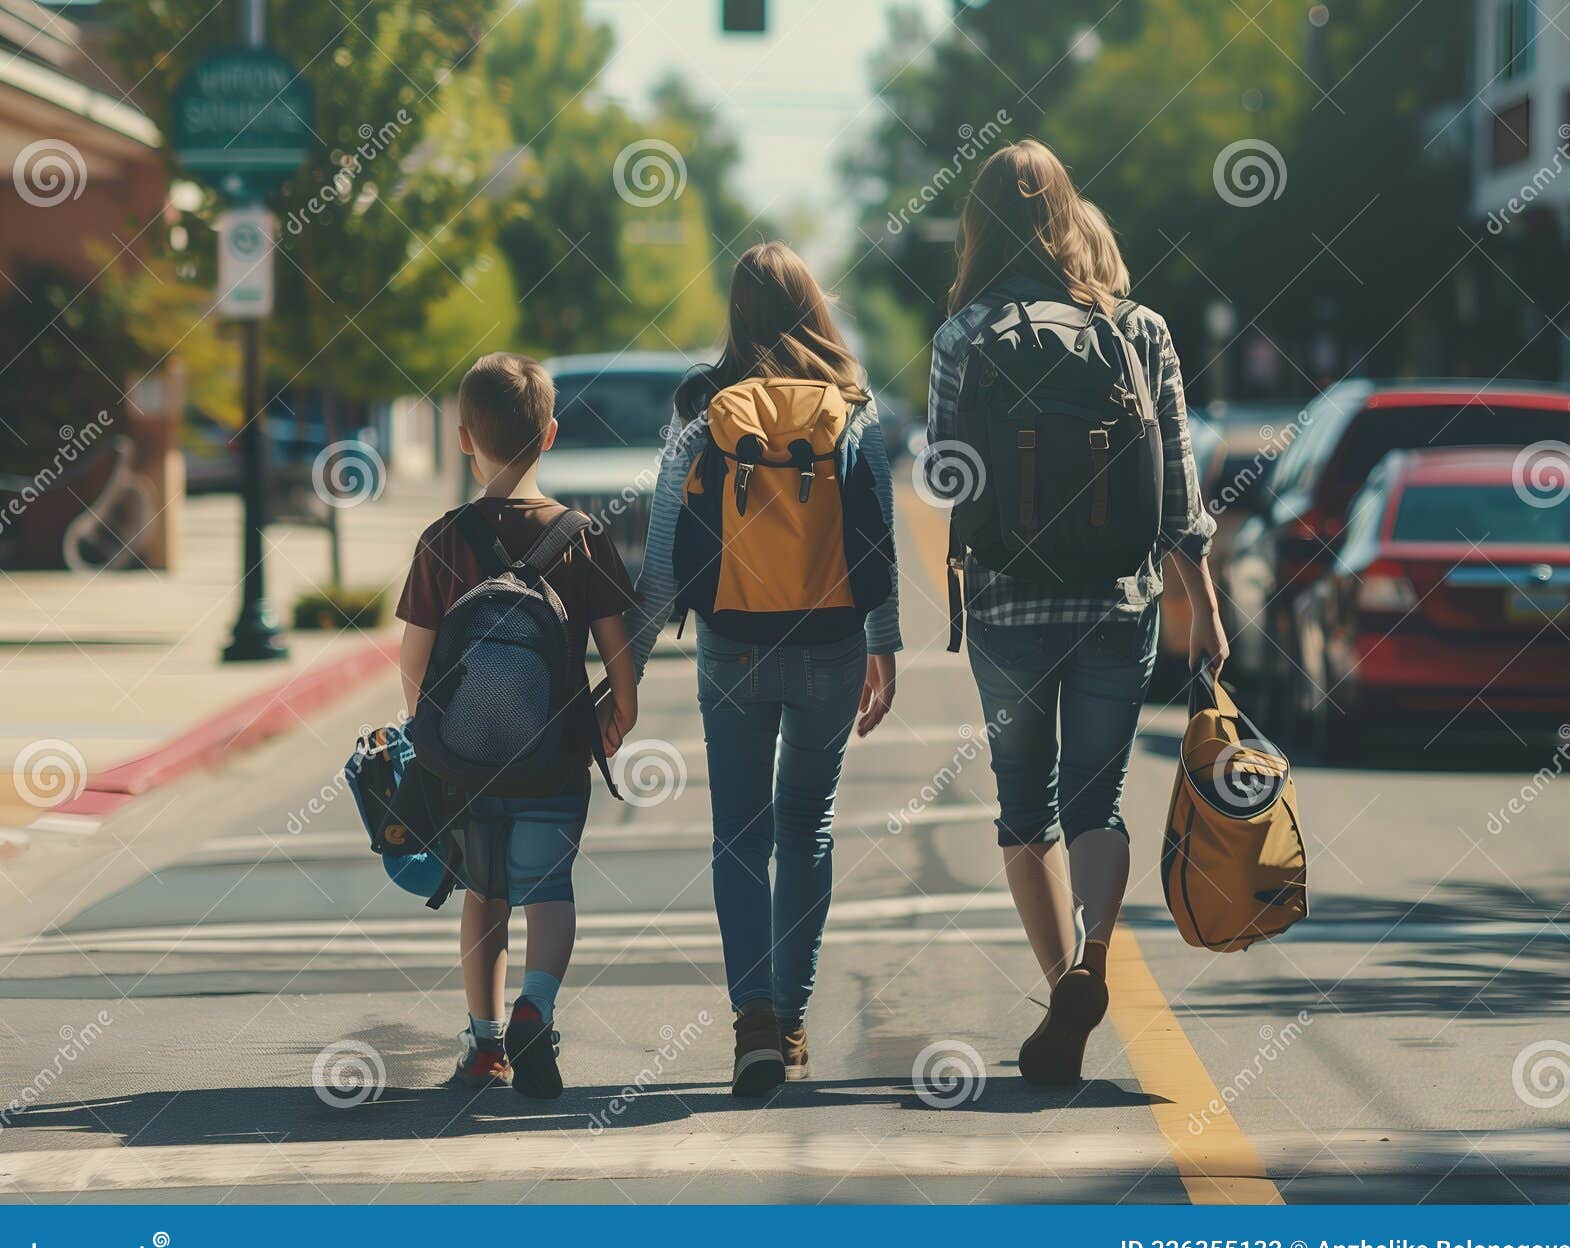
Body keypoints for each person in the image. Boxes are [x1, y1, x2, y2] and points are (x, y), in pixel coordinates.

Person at [929, 140, 1226, 1083]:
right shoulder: (1140, 331)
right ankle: (1095, 960)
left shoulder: (962, 336)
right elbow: (1178, 493)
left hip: (1010, 604)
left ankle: (1062, 980)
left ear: (978, 223)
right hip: (1119, 598)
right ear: (1067, 212)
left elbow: (946, 475)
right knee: (1096, 800)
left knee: (1025, 811)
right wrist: (1206, 607)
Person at [627, 242, 902, 1097]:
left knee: (739, 835)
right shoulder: (853, 406)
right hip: (830, 642)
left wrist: (626, 668)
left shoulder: (702, 407)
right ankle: (788, 1022)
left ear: (735, 313)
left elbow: (667, 560)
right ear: (813, 305)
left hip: (733, 644)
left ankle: (750, 1015)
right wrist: (883, 646)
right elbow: (876, 537)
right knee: (806, 826)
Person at [396, 352, 639, 1098]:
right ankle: (538, 1004)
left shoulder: (444, 538)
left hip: (468, 763)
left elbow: (413, 662)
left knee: (485, 895)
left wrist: (431, 736)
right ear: (552, 435)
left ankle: (485, 1045)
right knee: (550, 888)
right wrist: (619, 709)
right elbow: (614, 642)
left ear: (465, 438)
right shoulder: (581, 535)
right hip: (554, 753)